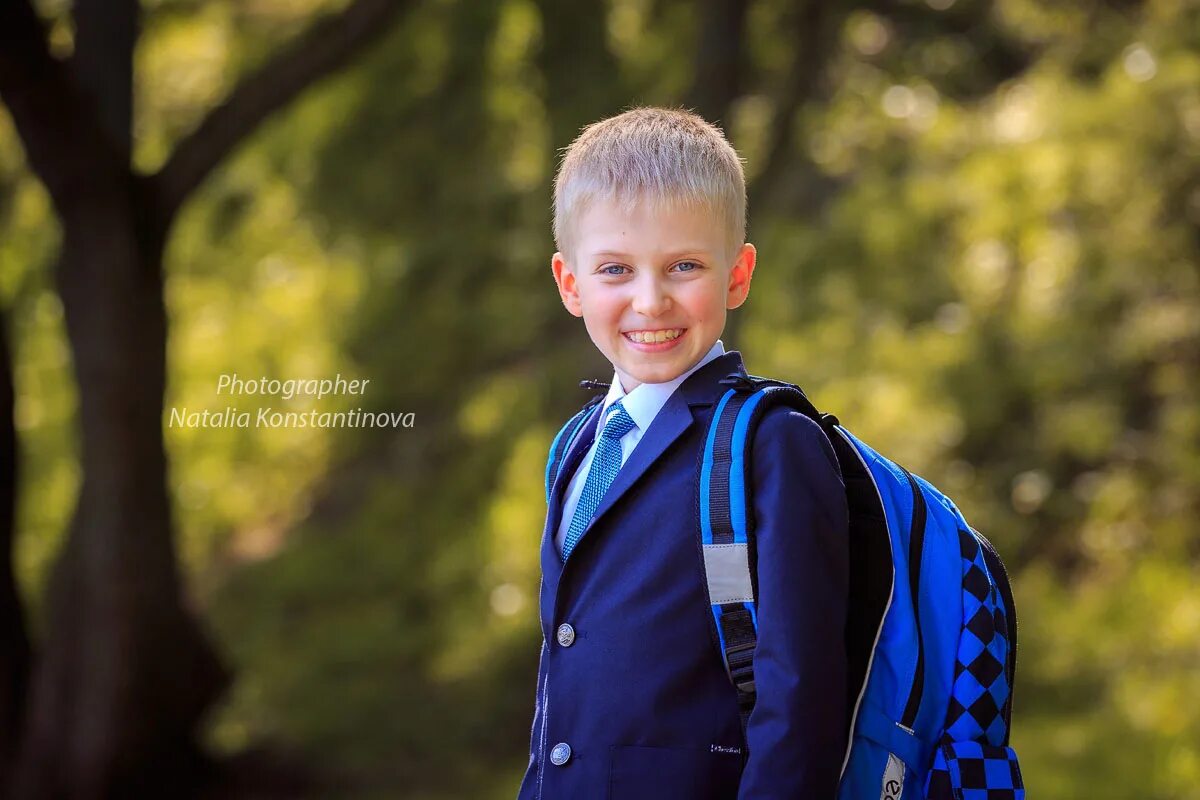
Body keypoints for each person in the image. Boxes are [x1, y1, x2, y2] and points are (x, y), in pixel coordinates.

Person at [518, 106, 849, 800]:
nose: (650, 300)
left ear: (737, 274)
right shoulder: (576, 447)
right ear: (570, 283)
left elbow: (802, 709)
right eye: (615, 269)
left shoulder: (772, 444)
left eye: (685, 266)